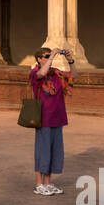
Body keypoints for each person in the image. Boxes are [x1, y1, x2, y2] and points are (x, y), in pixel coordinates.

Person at [30, 46, 74, 195]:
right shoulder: (35, 72)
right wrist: (52, 56)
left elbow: (74, 75)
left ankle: (47, 183)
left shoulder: (56, 74)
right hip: (43, 118)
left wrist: (71, 60)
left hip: (57, 117)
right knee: (42, 150)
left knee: (53, 151)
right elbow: (42, 73)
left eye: (50, 55)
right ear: (39, 59)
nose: (50, 58)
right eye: (46, 56)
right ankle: (38, 184)